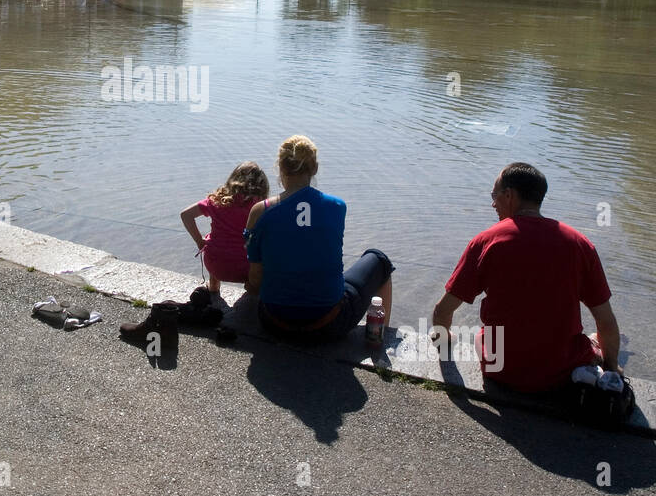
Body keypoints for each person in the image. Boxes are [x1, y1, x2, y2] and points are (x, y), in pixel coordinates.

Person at [429, 163, 621, 393]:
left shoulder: (486, 241)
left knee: (482, 337)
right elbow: (606, 322)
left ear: (509, 195)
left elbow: (443, 310)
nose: (492, 203)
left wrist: (446, 338)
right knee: (593, 338)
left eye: (494, 195)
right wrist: (612, 369)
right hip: (560, 372)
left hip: (500, 369)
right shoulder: (580, 244)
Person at [243, 135, 395, 342]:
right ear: (314, 168)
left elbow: (255, 279)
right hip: (329, 324)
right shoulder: (337, 206)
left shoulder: (260, 211)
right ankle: (381, 336)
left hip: (274, 322)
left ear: (280, 168)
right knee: (379, 260)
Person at [181, 162, 269, 294]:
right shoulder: (259, 206)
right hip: (246, 268)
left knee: (214, 243)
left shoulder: (217, 200)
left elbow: (186, 215)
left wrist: (200, 241)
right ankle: (252, 288)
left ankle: (214, 287)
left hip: (215, 265)